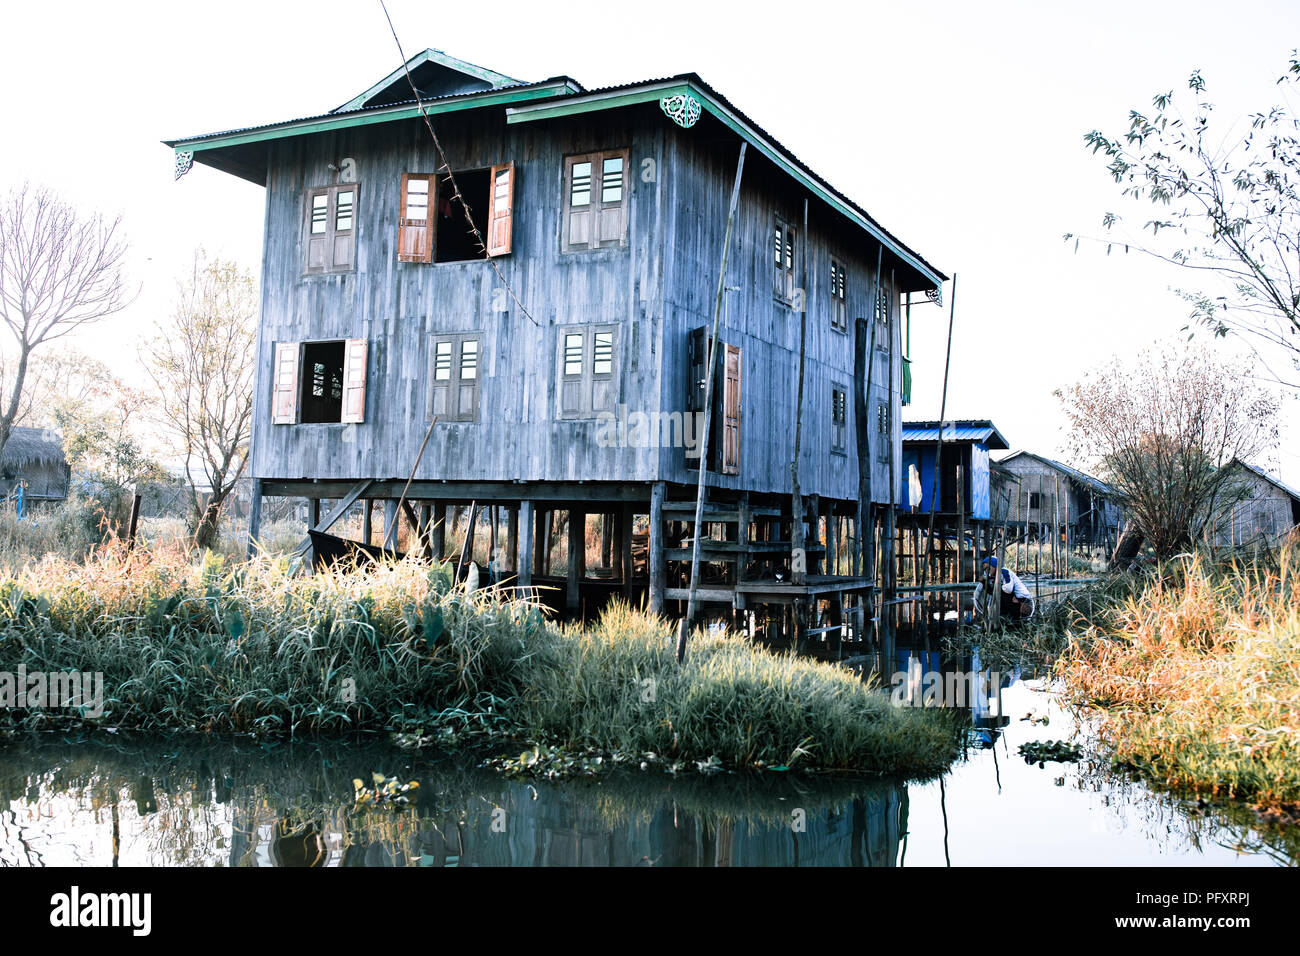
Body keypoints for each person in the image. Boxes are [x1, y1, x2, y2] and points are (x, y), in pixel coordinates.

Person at [978, 556, 1034, 623]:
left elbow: (1008, 589)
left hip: (1023, 601)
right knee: (995, 595)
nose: (986, 571)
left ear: (994, 566)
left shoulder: (1004, 572)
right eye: (985, 569)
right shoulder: (994, 576)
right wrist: (985, 584)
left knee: (999, 594)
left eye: (988, 568)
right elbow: (993, 593)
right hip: (1014, 601)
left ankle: (1007, 618)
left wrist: (998, 586)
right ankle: (1004, 618)